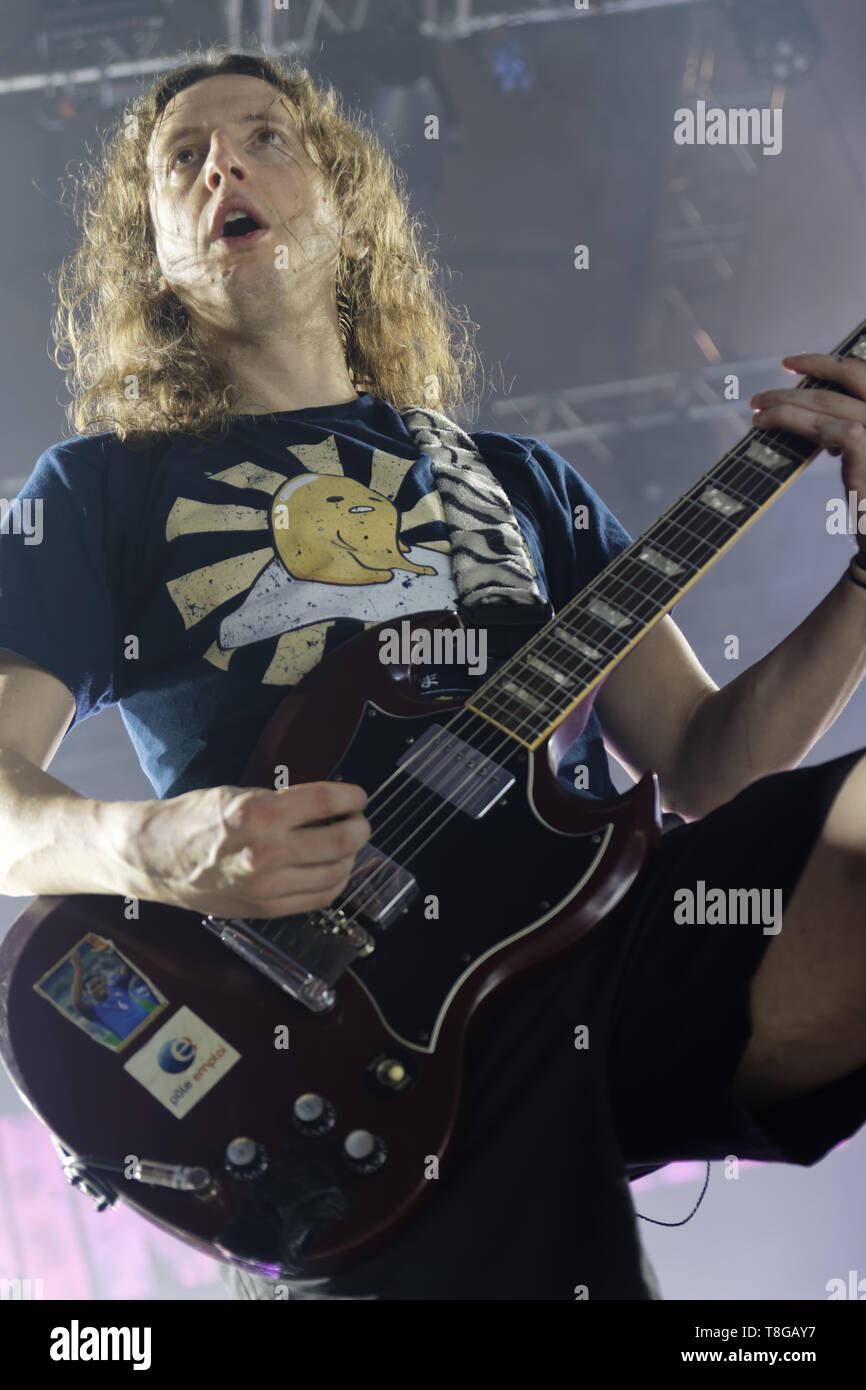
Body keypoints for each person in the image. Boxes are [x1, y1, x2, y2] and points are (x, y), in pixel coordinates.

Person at [0, 48, 865, 1301]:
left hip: (579, 948)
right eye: (179, 159)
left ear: (345, 213)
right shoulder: (101, 486)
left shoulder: (516, 481)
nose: (221, 165)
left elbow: (707, 767)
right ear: (156, 251)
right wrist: (160, 850)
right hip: (316, 1035)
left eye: (264, 138)